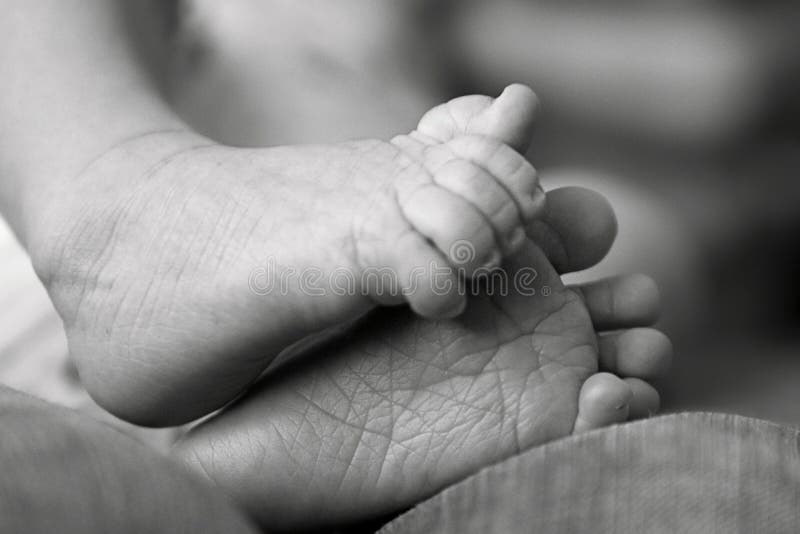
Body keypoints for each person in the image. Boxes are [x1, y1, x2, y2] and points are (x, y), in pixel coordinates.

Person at [0, 2, 671, 531]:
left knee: (603, 241)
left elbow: (706, 82)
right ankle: (115, 198)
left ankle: (185, 472)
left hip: (366, 278)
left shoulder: (441, 39)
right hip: (82, 195)